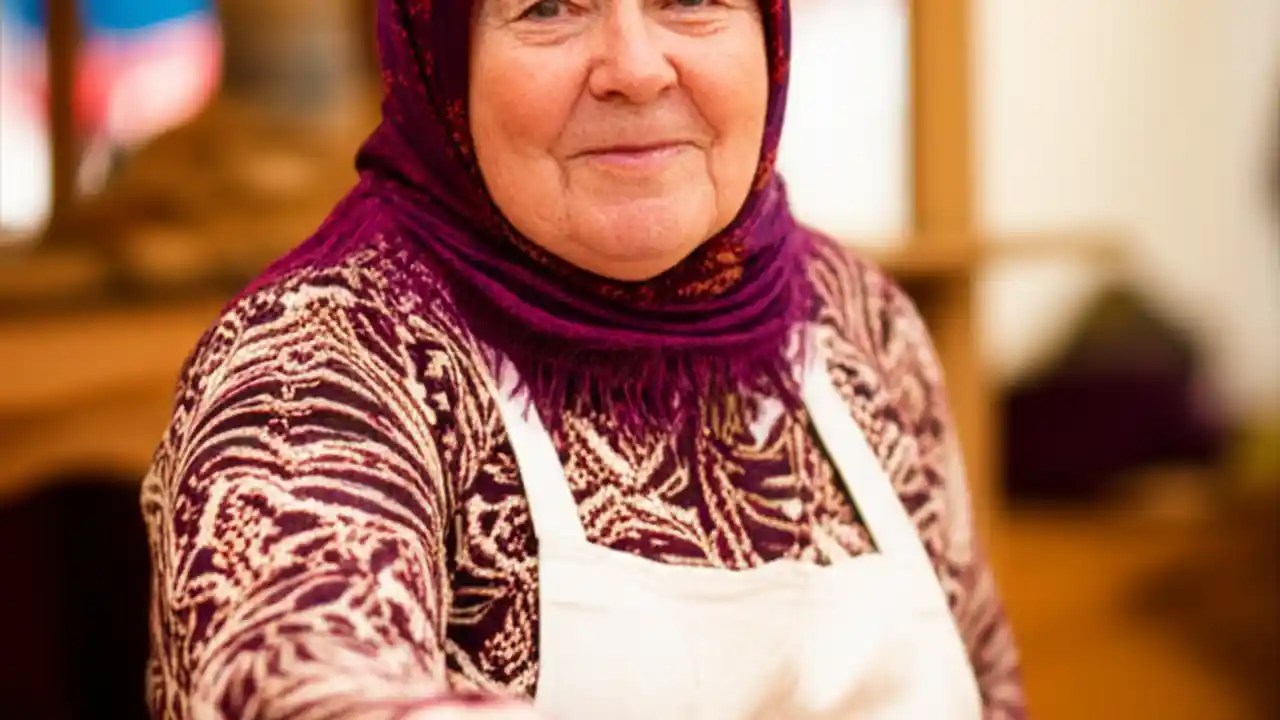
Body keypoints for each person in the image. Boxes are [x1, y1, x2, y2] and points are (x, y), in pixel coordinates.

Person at [141, 1, 1026, 718]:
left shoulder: (858, 322)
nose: (635, 68)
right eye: (549, 7)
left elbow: (991, 687)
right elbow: (295, 681)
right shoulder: (317, 361)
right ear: (439, 53)